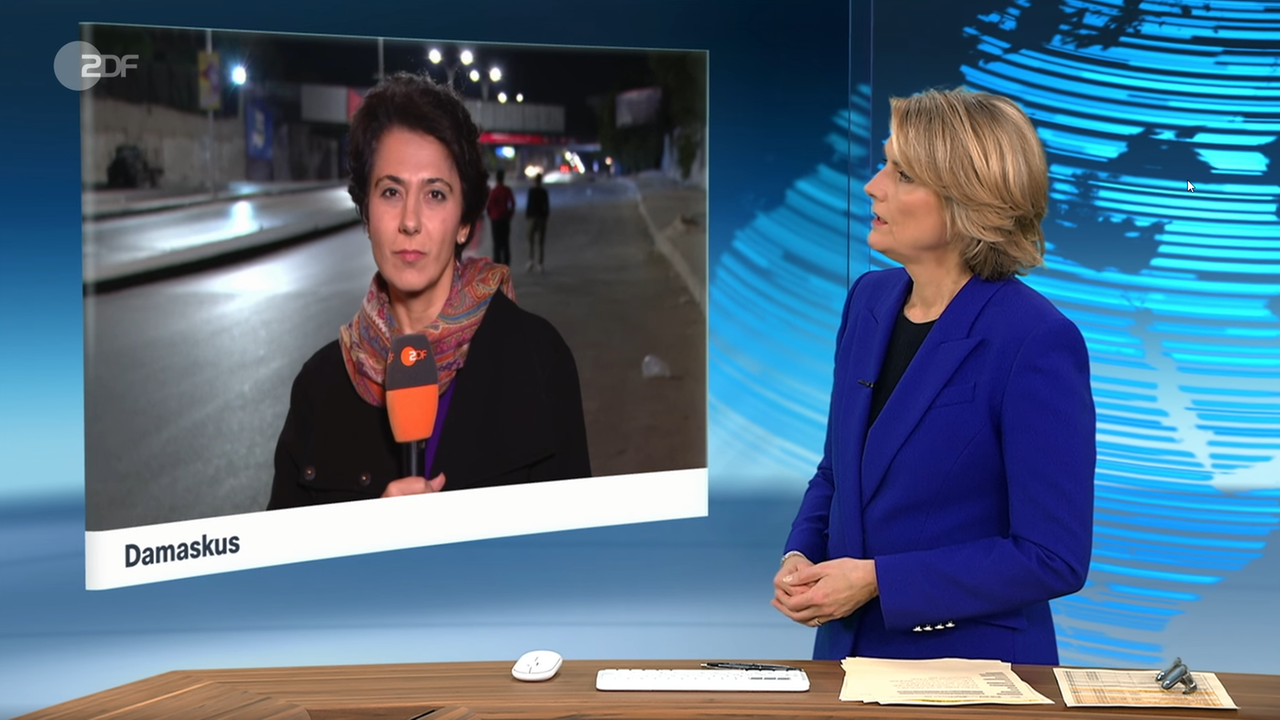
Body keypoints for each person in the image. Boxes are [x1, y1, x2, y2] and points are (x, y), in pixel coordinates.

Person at [772, 87, 1096, 665]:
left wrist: (878, 581)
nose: (873, 186)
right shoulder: (868, 300)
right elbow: (837, 470)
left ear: (968, 200)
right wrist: (800, 554)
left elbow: (1053, 556)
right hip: (844, 659)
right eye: (884, 164)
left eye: (903, 174)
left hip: (972, 673)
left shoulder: (1035, 340)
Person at [268, 72, 591, 509]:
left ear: (465, 223)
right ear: (366, 214)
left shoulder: (539, 360)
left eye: (435, 194)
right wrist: (367, 538)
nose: (410, 221)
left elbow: (572, 546)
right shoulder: (320, 386)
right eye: (390, 192)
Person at [486, 168, 515, 266]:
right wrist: (510, 214)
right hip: (504, 219)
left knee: (496, 243)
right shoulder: (507, 190)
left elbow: (488, 206)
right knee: (505, 242)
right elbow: (512, 203)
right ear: (503, 178)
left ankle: (497, 263)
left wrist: (491, 215)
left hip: (495, 219)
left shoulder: (493, 191)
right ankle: (506, 264)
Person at [525, 172, 549, 273]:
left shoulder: (531, 191)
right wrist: (545, 217)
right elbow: (547, 206)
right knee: (540, 242)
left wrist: (527, 216)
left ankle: (531, 260)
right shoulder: (543, 192)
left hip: (532, 218)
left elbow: (529, 204)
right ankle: (540, 263)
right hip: (541, 218)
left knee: (531, 241)